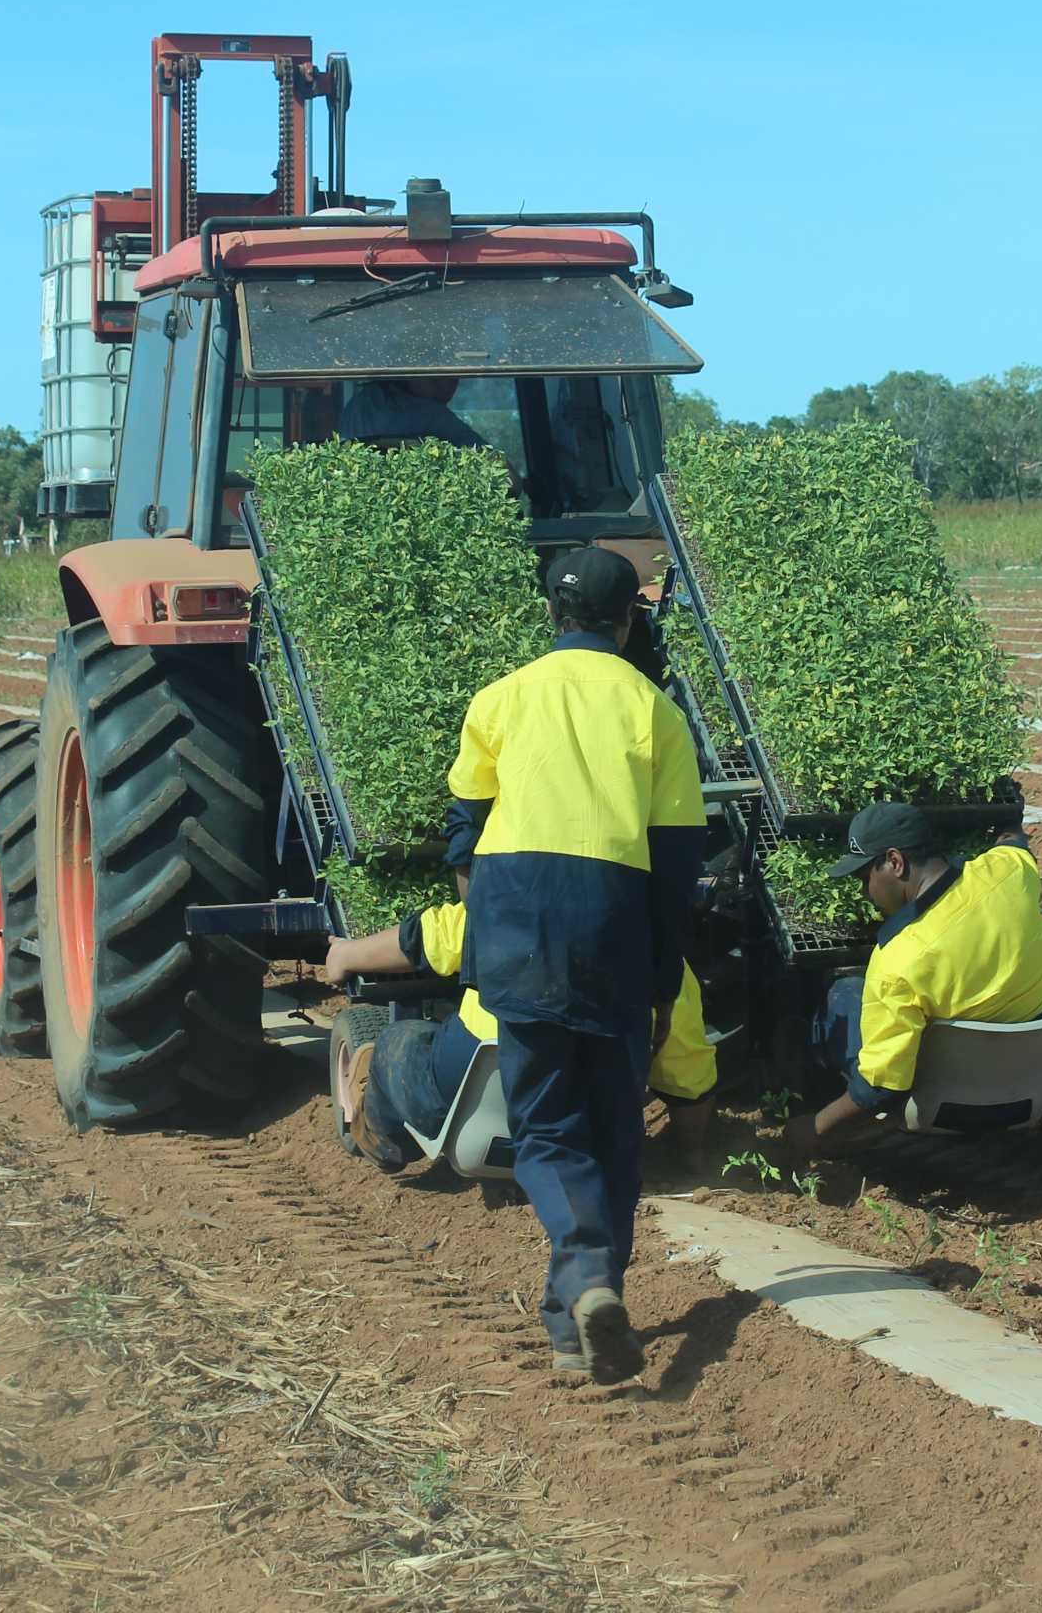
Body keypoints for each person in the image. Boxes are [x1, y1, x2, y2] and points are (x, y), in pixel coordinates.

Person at [447, 545, 705, 1380]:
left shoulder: (500, 698)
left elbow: (464, 827)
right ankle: (578, 1317)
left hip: (519, 916)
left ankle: (585, 1284)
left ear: (552, 615)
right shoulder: (657, 712)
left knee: (549, 1129)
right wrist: (663, 984)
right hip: (615, 920)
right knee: (615, 1130)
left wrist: (486, 927)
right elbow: (677, 866)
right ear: (630, 621)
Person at [324, 898, 718, 1177]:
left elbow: (423, 938)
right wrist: (690, 1157)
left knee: (399, 1040)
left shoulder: (507, 904)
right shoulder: (663, 965)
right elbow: (689, 1080)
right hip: (584, 1143)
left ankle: (386, 1145)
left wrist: (343, 955)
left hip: (476, 1122)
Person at [788, 801, 1042, 1156]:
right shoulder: (1011, 872)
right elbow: (1015, 842)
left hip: (950, 1102)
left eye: (865, 878)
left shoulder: (898, 961)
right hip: (1030, 1080)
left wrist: (814, 1129)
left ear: (895, 862)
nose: (865, 892)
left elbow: (880, 1088)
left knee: (844, 995)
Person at [338, 375, 487, 451]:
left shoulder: (358, 403)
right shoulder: (430, 415)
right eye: (435, 379)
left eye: (454, 380)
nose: (447, 388)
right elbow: (487, 456)